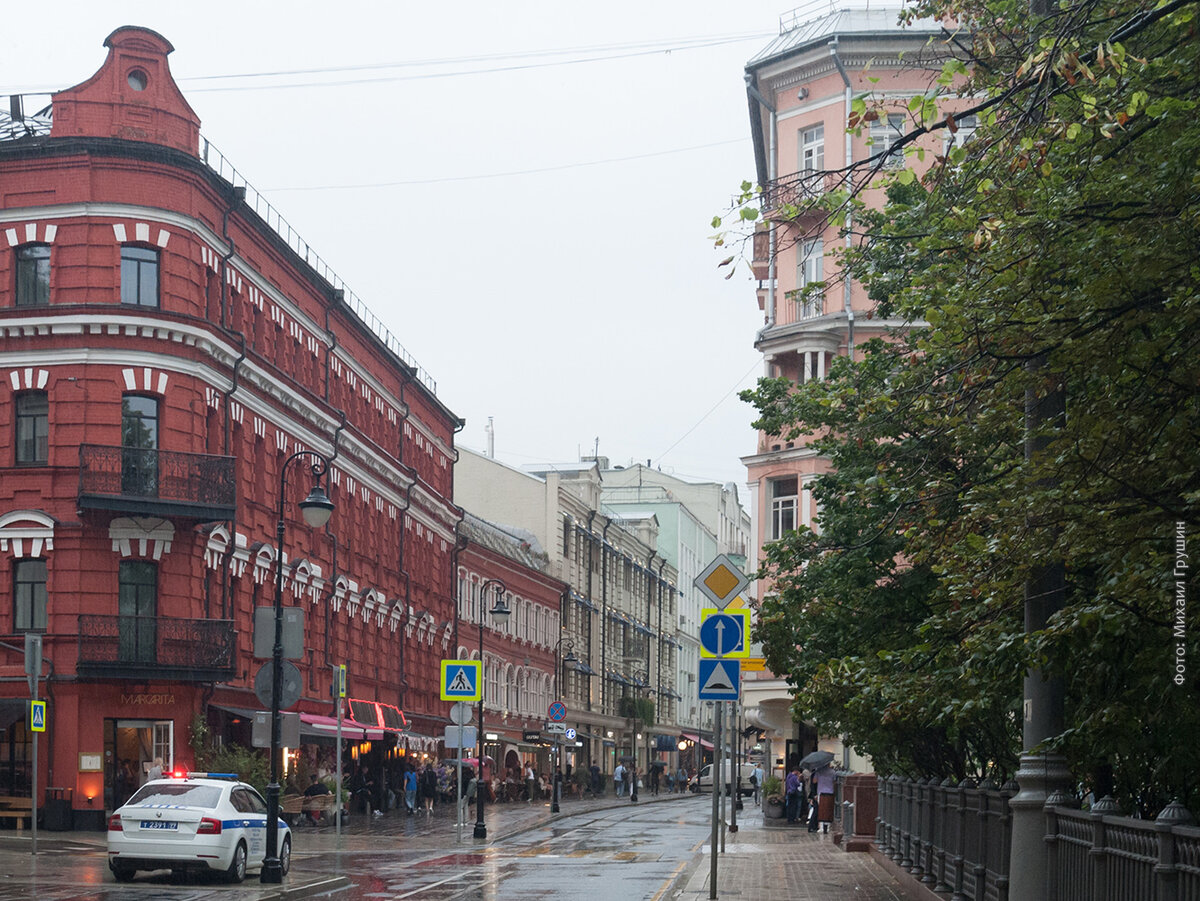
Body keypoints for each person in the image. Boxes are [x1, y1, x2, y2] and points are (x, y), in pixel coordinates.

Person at [814, 763, 835, 834]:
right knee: (828, 809)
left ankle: (821, 827)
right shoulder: (832, 772)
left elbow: (814, 781)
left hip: (821, 792)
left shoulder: (819, 771)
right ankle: (828, 827)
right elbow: (834, 781)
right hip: (830, 792)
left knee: (821, 810)